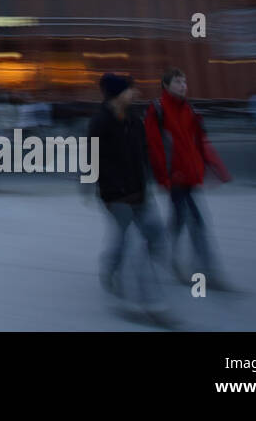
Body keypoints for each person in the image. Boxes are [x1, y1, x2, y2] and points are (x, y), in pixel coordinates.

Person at [87, 72, 173, 325]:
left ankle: (111, 268)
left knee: (152, 235)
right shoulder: (100, 123)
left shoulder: (134, 121)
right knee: (134, 246)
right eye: (130, 90)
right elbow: (91, 161)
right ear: (117, 94)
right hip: (116, 197)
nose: (135, 93)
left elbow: (143, 154)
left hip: (139, 192)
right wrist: (106, 191)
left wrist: (153, 177)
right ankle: (145, 303)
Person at [144, 67, 234, 290]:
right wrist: (163, 177)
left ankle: (162, 253)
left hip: (189, 175)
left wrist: (215, 168)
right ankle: (206, 271)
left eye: (184, 82)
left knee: (181, 220)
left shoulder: (190, 111)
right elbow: (154, 148)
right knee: (195, 221)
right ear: (166, 85)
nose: (183, 86)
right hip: (174, 177)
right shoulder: (157, 110)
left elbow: (201, 143)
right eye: (177, 82)